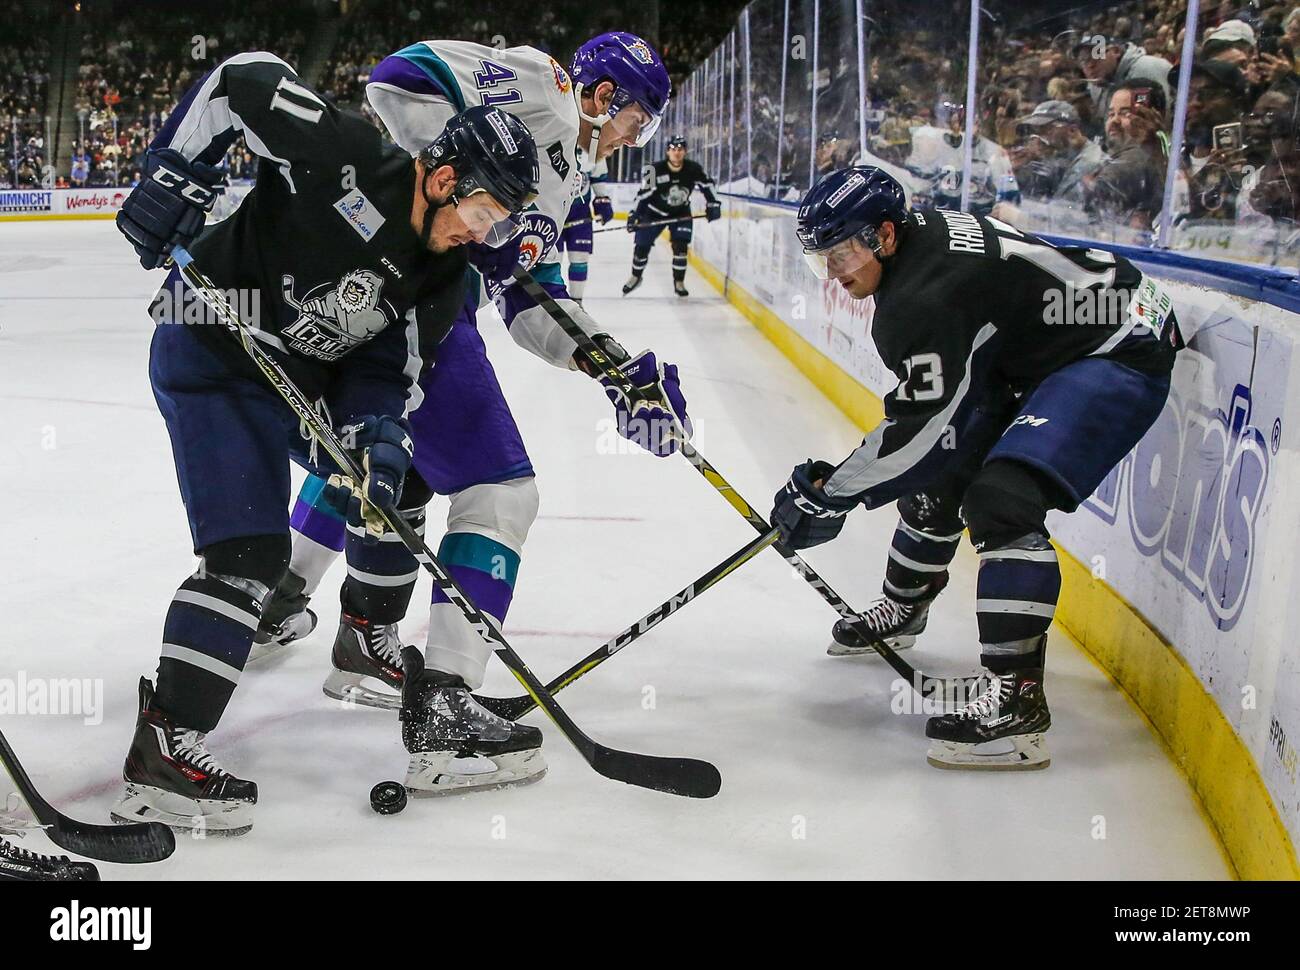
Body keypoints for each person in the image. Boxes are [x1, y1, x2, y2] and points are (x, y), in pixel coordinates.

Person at [109, 52, 541, 834]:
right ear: (444, 178)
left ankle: (361, 640)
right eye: (485, 212)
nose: (487, 231)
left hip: (295, 375)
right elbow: (243, 77)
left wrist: (374, 437)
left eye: (500, 222)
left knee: (398, 488)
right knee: (248, 556)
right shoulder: (347, 155)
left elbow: (386, 369)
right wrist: (177, 175)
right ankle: (163, 753)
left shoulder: (441, 275)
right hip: (211, 350)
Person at [252, 34, 691, 796]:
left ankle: (284, 601)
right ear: (600, 96)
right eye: (636, 118)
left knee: (380, 460)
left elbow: (530, 304)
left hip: (405, 301)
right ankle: (445, 706)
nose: (634, 137)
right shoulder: (546, 89)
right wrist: (462, 203)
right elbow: (397, 79)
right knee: (499, 490)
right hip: (408, 292)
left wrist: (608, 362)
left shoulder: (571, 185)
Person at [770, 166, 1181, 770]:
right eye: (821, 258)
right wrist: (844, 487)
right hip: (1047, 343)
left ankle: (1017, 711)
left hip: (1118, 342)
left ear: (884, 235)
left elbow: (923, 426)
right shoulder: (912, 254)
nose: (832, 273)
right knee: (942, 474)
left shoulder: (925, 295)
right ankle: (904, 607)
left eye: (840, 253)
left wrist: (834, 491)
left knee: (1003, 500)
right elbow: (937, 433)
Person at [623, 134, 721, 297]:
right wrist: (634, 215)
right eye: (673, 149)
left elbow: (707, 185)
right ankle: (636, 276)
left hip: (680, 213)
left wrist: (714, 204)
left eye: (680, 149)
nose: (677, 152)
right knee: (641, 247)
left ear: (685, 152)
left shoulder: (693, 168)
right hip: (654, 213)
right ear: (667, 152)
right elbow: (642, 195)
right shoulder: (653, 169)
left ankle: (679, 282)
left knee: (681, 248)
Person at [556, 153, 613, 304]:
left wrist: (602, 202)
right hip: (553, 212)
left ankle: (576, 303)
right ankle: (553, 302)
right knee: (552, 261)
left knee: (579, 258)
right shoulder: (556, 134)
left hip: (579, 214)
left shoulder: (592, 144)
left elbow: (598, 176)